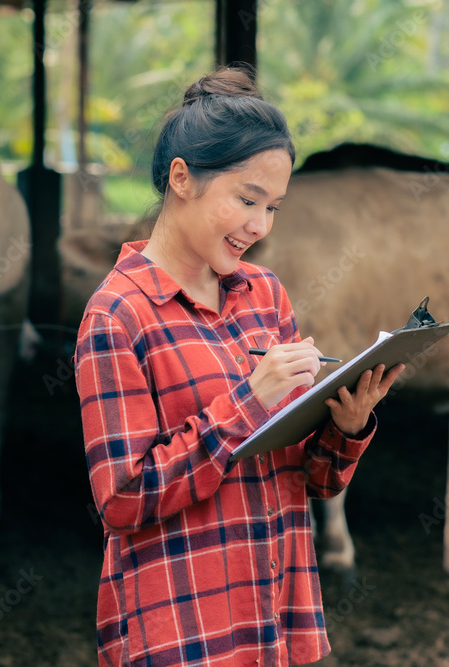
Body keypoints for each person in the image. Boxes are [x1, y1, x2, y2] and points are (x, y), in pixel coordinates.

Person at [74, 65, 404, 667]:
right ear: (182, 179)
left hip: (274, 619)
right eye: (247, 200)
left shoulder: (264, 294)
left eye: (273, 206)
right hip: (181, 628)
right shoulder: (117, 316)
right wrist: (248, 401)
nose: (261, 226)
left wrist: (346, 426)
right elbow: (120, 500)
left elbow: (309, 479)